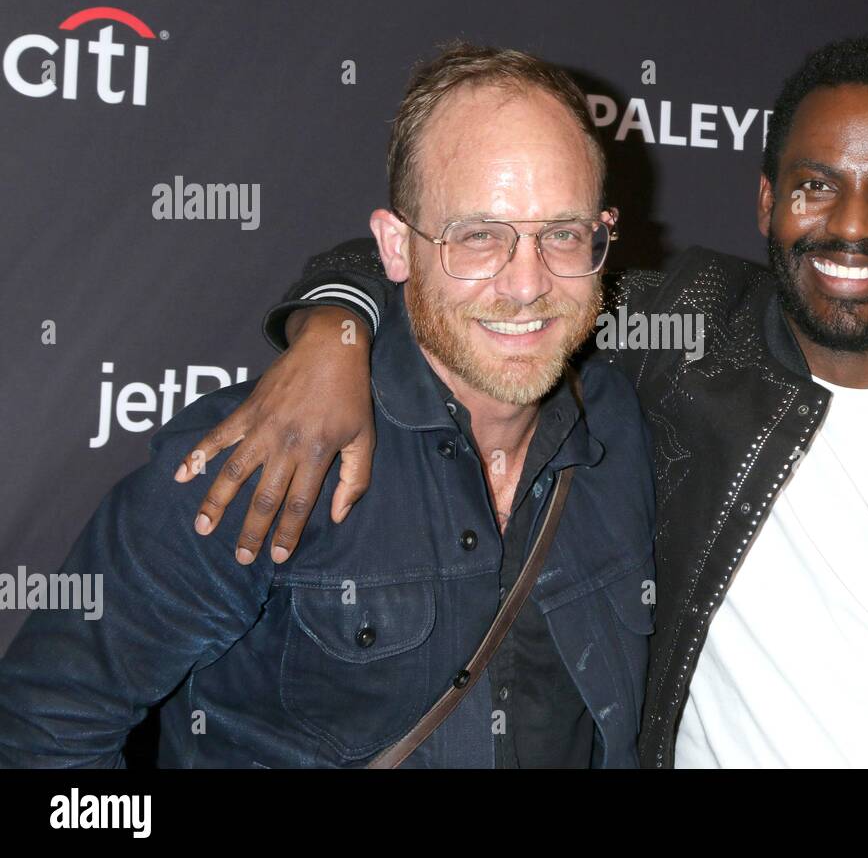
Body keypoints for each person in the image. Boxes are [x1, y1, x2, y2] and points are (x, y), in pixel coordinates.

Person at [177, 36, 868, 768]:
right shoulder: (686, 331)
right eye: (814, 185)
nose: (850, 225)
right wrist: (333, 327)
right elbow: (467, 265)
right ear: (763, 200)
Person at [0, 43, 655, 768]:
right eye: (478, 238)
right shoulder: (268, 448)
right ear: (396, 248)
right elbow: (39, 738)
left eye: (562, 234)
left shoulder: (628, 424)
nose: (528, 283)